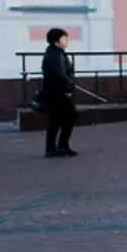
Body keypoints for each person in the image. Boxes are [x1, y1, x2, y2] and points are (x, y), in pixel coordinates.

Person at [41, 28, 78, 157]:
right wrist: (68, 86)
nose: (67, 41)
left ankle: (55, 147)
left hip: (56, 91)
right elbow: (60, 74)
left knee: (57, 120)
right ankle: (58, 147)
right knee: (69, 117)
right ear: (56, 41)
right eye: (64, 39)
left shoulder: (57, 53)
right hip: (56, 92)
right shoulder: (54, 55)